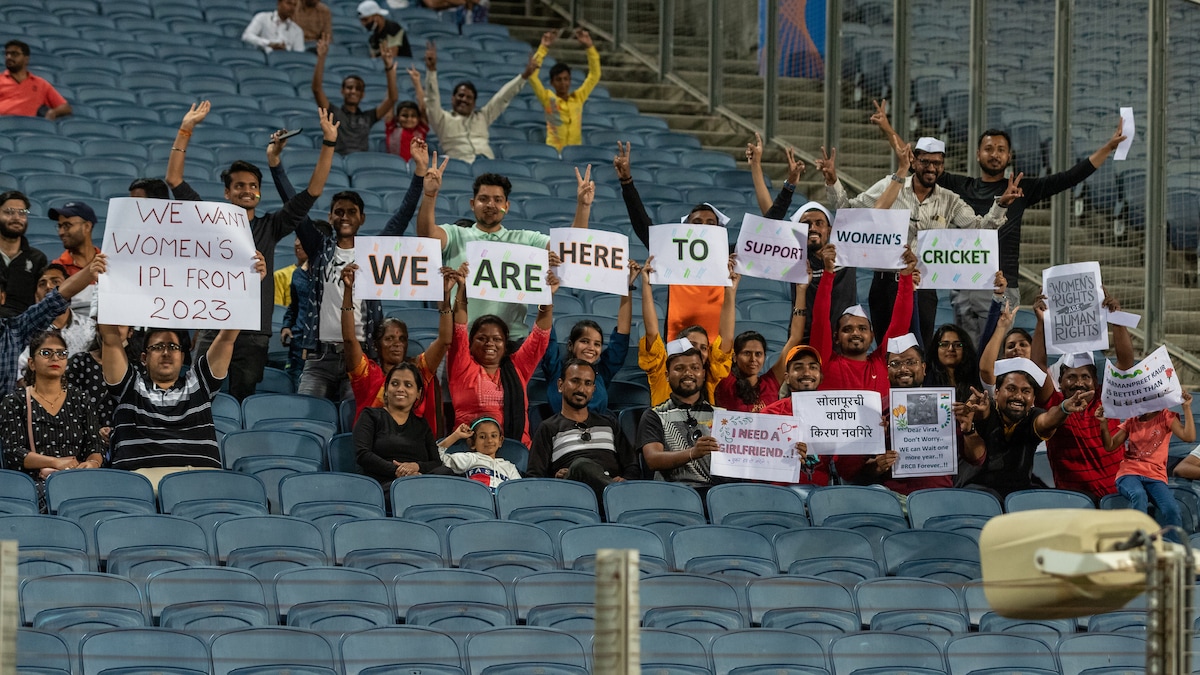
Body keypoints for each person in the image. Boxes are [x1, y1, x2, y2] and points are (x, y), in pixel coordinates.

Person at [871, 100, 1128, 337]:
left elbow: (1069, 177)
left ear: (1009, 157)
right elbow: (918, 161)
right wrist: (886, 127)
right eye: (989, 148)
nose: (995, 154)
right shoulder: (958, 186)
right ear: (977, 154)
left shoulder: (1021, 189)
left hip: (1002, 285)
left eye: (1001, 150)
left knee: (997, 356)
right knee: (968, 359)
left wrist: (1107, 147)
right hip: (963, 283)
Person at [168, 102, 341, 400]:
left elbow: (313, 191)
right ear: (227, 192)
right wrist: (186, 128)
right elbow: (173, 180)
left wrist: (329, 142)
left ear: (259, 192)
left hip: (254, 333)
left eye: (252, 185)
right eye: (238, 186)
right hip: (213, 325)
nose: (247, 190)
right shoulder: (210, 221)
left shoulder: (271, 226)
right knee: (199, 398)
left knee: (241, 400)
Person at [820, 123, 1019, 346]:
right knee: (886, 349)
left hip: (924, 287)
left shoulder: (949, 200)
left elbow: (980, 230)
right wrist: (832, 181)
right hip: (887, 285)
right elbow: (848, 211)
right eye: (925, 162)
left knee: (920, 349)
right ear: (914, 162)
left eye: (937, 163)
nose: (931, 168)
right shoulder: (891, 185)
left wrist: (1001, 204)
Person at [99, 253, 265, 486]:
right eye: (158, 347)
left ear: (182, 355)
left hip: (200, 481)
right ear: (144, 358)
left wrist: (249, 285)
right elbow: (109, 338)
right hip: (141, 482)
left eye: (173, 347)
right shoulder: (129, 387)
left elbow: (227, 337)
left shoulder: (199, 383)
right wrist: (104, 284)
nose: (166, 352)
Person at [616, 140, 804, 340]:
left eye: (710, 222)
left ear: (719, 230)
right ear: (685, 228)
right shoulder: (672, 250)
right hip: (676, 341)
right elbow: (641, 224)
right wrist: (627, 182)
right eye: (697, 222)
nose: (704, 226)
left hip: (717, 345)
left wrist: (789, 186)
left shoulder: (726, 254)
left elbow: (767, 229)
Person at [417, 155, 589, 338]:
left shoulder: (526, 240)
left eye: (498, 200)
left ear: (506, 206)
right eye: (483, 199)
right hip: (461, 338)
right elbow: (426, 235)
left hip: (511, 341)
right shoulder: (455, 234)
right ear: (472, 204)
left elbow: (570, 250)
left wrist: (584, 206)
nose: (491, 204)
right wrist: (430, 195)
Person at [1031, 291, 1136, 502]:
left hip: (1117, 499)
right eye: (1071, 377)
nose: (1078, 382)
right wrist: (1041, 323)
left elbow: (1125, 363)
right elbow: (1037, 367)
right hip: (1075, 503)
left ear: (1095, 381)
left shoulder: (1105, 398)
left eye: (1085, 376)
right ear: (1059, 382)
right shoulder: (1054, 404)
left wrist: (1116, 318)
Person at [446, 264, 558, 446]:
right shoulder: (462, 366)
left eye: (497, 339)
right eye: (482, 338)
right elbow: (458, 330)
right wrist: (462, 289)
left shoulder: (517, 367)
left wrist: (547, 297)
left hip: (516, 451)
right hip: (469, 452)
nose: (490, 343)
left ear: (505, 345)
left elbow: (540, 336)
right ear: (470, 344)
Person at [340, 262, 454, 434]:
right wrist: (348, 292)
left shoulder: (419, 371)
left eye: (402, 339)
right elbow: (349, 340)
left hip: (414, 451)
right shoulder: (367, 375)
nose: (396, 344)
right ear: (376, 346)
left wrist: (445, 298)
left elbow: (445, 340)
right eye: (389, 339)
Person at [293, 189, 384, 402]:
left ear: (362, 218)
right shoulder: (318, 248)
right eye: (339, 211)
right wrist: (275, 165)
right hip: (320, 356)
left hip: (361, 354)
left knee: (357, 425)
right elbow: (295, 209)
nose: (344, 217)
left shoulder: (375, 251)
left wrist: (419, 179)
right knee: (306, 421)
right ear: (330, 217)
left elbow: (402, 217)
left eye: (352, 212)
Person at [956, 359, 1093, 498]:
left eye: (1025, 391)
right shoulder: (982, 410)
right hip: (974, 495)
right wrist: (969, 427)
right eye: (1011, 389)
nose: (1018, 396)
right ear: (996, 393)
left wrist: (1064, 408)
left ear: (1033, 398)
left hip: (1017, 498)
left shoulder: (1032, 417)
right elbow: (975, 457)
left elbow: (1048, 420)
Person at [0, 330, 105, 508]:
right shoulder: (14, 401)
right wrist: (55, 462)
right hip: (33, 484)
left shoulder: (80, 399)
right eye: (46, 353)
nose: (55, 358)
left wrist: (92, 463)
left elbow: (95, 445)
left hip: (77, 479)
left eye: (61, 353)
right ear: (32, 363)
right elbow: (13, 452)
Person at [528, 359, 640, 498]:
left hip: (612, 491)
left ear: (593, 390)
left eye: (588, 383)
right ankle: (615, 494)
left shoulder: (609, 423)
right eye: (575, 381)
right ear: (560, 385)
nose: (581, 389)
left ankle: (613, 493)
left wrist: (625, 480)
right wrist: (554, 478)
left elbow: (632, 466)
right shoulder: (548, 428)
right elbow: (534, 478)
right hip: (572, 496)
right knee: (580, 466)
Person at [539, 262, 637, 415]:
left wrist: (627, 288)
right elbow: (545, 332)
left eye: (597, 344)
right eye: (584, 341)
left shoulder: (602, 373)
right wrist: (548, 292)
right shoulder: (556, 369)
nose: (591, 347)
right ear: (571, 345)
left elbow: (622, 334)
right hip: (559, 434)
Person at [0, 254, 102, 396]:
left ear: (2, 297)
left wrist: (91, 270)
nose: (49, 287)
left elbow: (56, 299)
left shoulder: (13, 332)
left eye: (55, 282)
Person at [639, 256, 736, 406]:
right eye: (692, 344)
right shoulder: (661, 371)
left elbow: (726, 338)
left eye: (704, 348)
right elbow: (652, 332)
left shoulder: (711, 377)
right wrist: (646, 284)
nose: (697, 351)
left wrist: (730, 290)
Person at [422, 41, 537, 163]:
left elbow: (502, 97)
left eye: (468, 97)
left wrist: (524, 76)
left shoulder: (483, 117)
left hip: (487, 166)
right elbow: (432, 99)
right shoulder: (442, 120)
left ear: (474, 103)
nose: (464, 100)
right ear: (452, 98)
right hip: (460, 167)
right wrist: (431, 70)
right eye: (460, 95)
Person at [1099, 392, 1194, 538]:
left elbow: (1189, 437)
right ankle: (1139, 541)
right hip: (1129, 473)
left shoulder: (1166, 416)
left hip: (1155, 476)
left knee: (1171, 509)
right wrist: (1103, 423)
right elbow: (1110, 445)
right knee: (1138, 494)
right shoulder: (1132, 421)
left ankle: (1174, 546)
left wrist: (1186, 408)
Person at [353, 362, 452, 491]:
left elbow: (435, 462)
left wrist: (416, 466)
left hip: (419, 480)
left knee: (448, 473)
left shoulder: (422, 424)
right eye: (395, 384)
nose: (400, 389)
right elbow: (363, 455)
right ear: (387, 389)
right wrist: (399, 472)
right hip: (383, 484)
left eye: (408, 385)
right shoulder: (370, 416)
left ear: (418, 392)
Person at [714, 278, 808, 412]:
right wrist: (730, 290)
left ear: (764, 357)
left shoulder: (770, 383)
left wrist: (801, 291)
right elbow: (727, 337)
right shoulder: (726, 382)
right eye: (747, 353)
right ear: (734, 357)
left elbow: (795, 338)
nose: (753, 359)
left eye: (758, 354)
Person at [635, 339, 718, 490]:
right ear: (666, 375)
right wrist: (693, 453)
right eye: (679, 368)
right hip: (673, 495)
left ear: (704, 374)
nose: (688, 373)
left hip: (717, 495)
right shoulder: (654, 415)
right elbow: (653, 459)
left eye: (695, 367)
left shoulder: (722, 416)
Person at [312, 37, 398, 155]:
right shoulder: (333, 113)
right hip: (337, 163)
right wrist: (321, 58)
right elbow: (317, 89)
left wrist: (389, 68)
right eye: (349, 87)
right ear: (342, 90)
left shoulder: (369, 117)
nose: (353, 91)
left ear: (363, 94)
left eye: (358, 89)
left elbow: (392, 99)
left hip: (362, 164)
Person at [762, 344, 831, 489]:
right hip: (781, 494)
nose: (807, 373)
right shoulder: (769, 415)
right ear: (786, 377)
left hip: (823, 496)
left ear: (821, 376)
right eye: (798, 367)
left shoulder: (835, 415)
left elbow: (846, 466)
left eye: (813, 367)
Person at [15, 264, 93, 378]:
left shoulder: (90, 328)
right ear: (36, 296)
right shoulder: (26, 331)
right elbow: (17, 371)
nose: (48, 286)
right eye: (42, 284)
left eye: (55, 282)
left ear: (70, 288)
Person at [529, 28, 601, 151]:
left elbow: (595, 75)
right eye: (559, 79)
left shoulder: (578, 98)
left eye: (566, 79)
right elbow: (532, 76)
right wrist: (543, 48)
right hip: (554, 153)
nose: (563, 83)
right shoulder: (548, 99)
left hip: (575, 153)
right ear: (552, 82)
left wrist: (589, 47)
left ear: (570, 80)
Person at [48, 200, 100, 319]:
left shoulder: (108, 263)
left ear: (87, 226)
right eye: (60, 226)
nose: (61, 232)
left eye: (67, 226)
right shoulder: (57, 268)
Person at [436, 417, 522, 488]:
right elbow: (436, 458)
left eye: (493, 436)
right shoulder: (470, 458)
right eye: (482, 437)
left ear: (500, 441)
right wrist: (456, 435)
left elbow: (519, 491)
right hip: (477, 504)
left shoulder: (509, 467)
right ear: (472, 443)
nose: (489, 440)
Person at [0, 191, 47, 318]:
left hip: (23, 327)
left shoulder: (37, 259)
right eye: (9, 212)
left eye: (22, 213)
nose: (16, 218)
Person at [0, 40, 70, 119]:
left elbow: (65, 107)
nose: (9, 57)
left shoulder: (40, 83)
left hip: (30, 127)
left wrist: (53, 112)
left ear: (26, 59)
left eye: (14, 54)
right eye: (6, 54)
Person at [924, 323, 983, 405]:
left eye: (958, 345)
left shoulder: (975, 377)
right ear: (936, 349)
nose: (951, 349)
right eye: (944, 344)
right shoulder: (925, 377)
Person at [275, 237, 306, 308]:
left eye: (303, 239)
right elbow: (278, 311)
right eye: (296, 239)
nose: (297, 244)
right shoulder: (280, 276)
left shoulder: (323, 276)